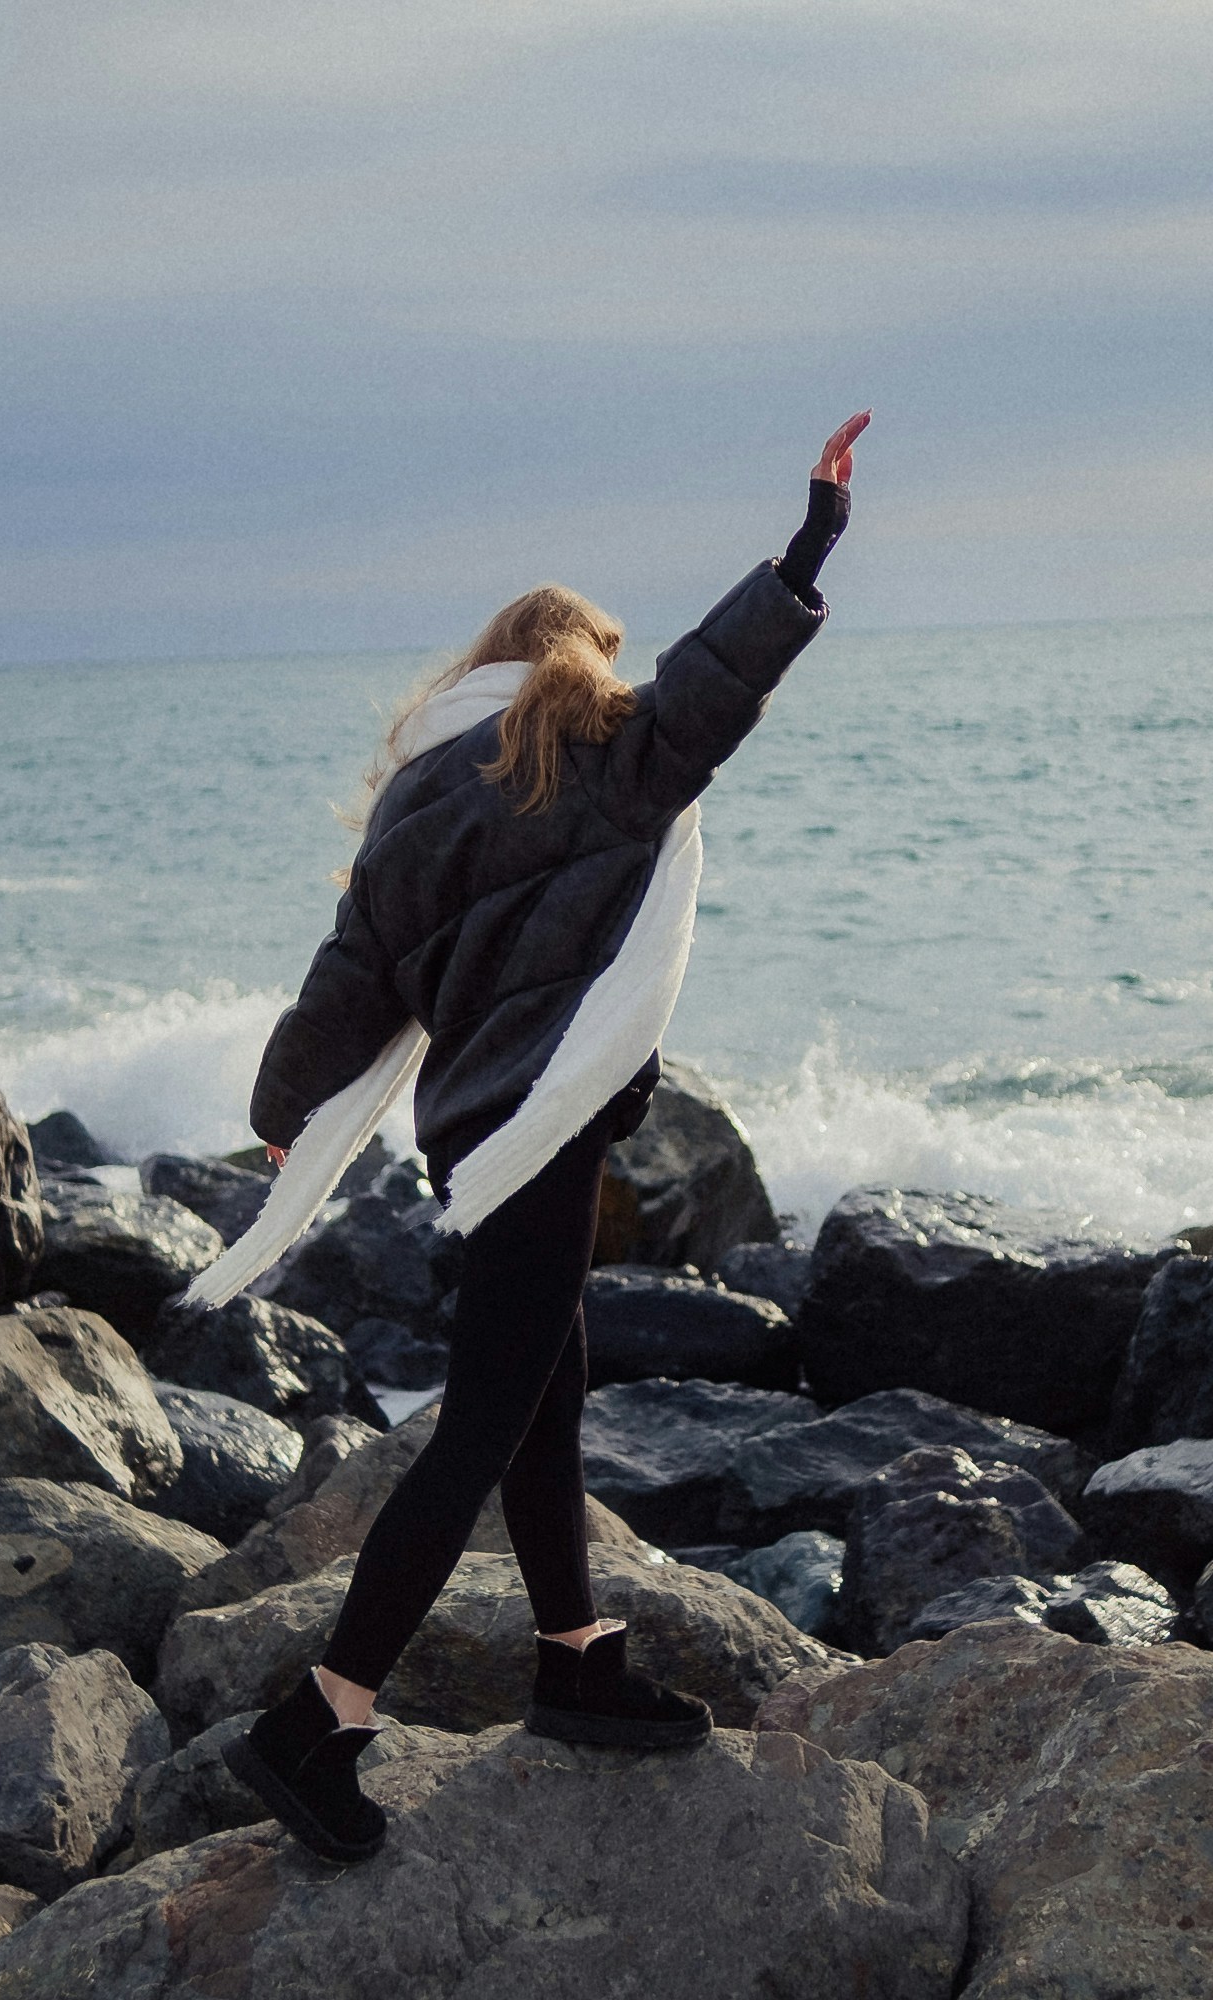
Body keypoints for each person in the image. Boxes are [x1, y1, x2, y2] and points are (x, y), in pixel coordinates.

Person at [214, 411, 869, 1864]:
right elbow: (720, 677)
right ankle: (320, 1716)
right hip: (539, 1135)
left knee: (545, 1403)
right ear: (580, 668)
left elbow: (341, 992)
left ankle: (575, 1660)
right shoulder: (610, 764)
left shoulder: (412, 809)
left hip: (474, 1140)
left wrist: (280, 1124)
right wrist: (812, 542)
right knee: (477, 1435)